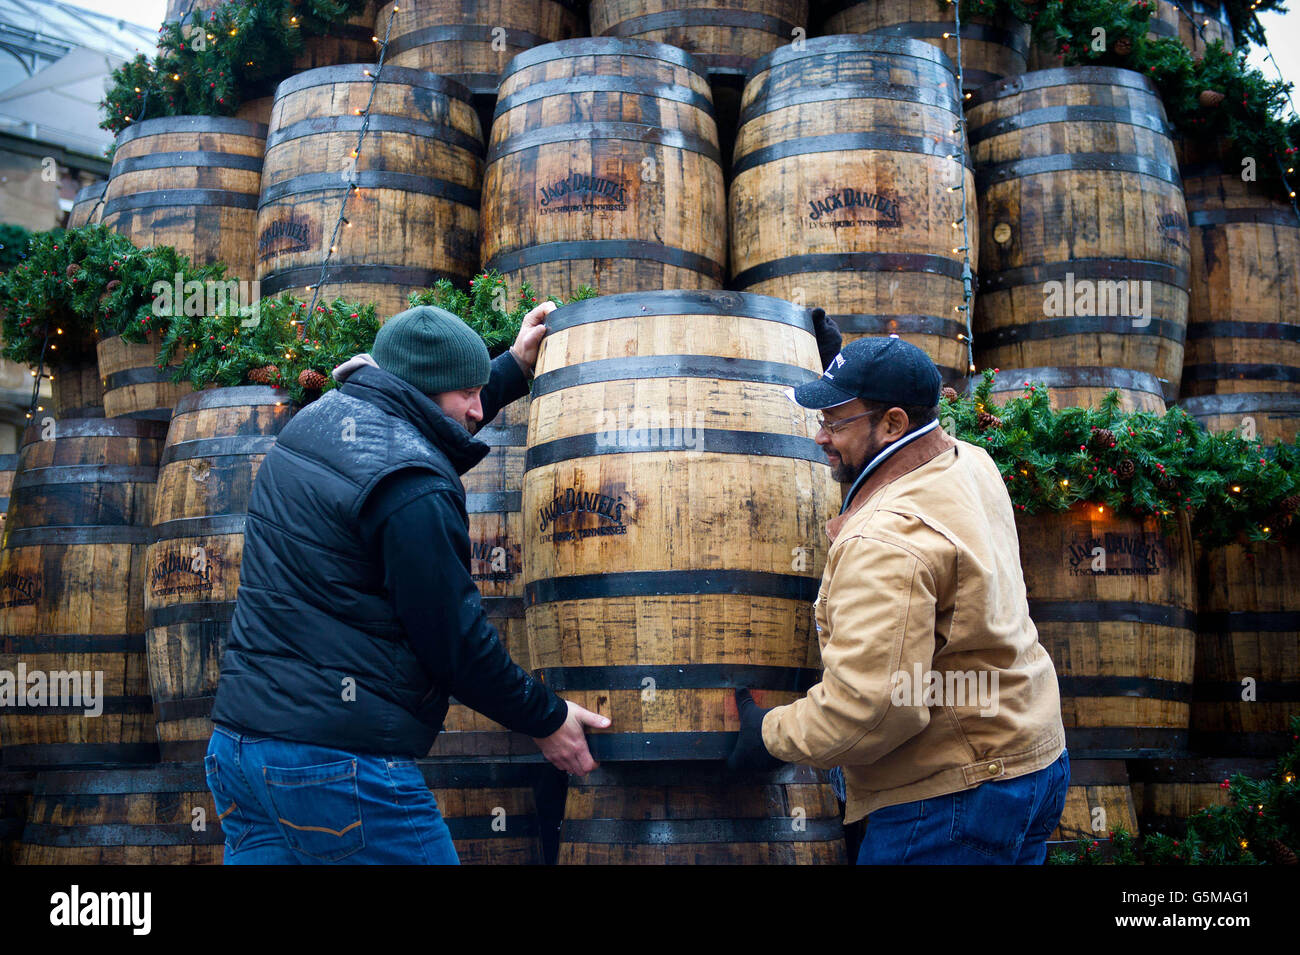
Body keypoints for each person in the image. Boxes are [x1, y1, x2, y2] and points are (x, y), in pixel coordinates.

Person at [204, 303, 608, 865]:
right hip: (338, 767)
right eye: (467, 391)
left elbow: (419, 426)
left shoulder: (319, 419)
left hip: (240, 752)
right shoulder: (414, 486)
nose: (477, 405)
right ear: (423, 391)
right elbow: (455, 644)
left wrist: (512, 368)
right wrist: (547, 718)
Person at [728, 337, 1069, 865]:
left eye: (836, 422)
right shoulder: (969, 461)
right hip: (1035, 760)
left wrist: (769, 733)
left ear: (892, 424)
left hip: (951, 796)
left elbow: (873, 709)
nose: (821, 436)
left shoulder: (883, 542)